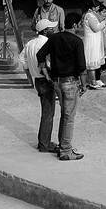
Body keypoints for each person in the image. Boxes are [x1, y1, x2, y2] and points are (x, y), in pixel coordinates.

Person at [36, 12, 87, 161]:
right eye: (80, 24)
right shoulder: (77, 41)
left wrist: (46, 73)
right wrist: (84, 85)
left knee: (64, 114)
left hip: (56, 81)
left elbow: (40, 55)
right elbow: (82, 67)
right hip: (70, 82)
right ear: (75, 25)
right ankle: (65, 150)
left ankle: (62, 146)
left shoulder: (54, 38)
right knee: (68, 116)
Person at [19, 30, 59, 153]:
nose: (54, 29)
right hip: (46, 80)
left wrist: (29, 74)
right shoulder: (47, 43)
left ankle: (44, 141)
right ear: (45, 30)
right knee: (48, 113)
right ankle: (44, 144)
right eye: (51, 28)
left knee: (47, 111)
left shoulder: (30, 43)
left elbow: (22, 59)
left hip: (37, 79)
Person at [80, 0, 106, 89]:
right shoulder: (89, 15)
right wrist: (104, 22)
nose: (98, 8)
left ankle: (94, 81)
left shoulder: (91, 15)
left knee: (94, 62)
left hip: (95, 40)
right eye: (97, 6)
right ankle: (93, 82)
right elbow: (96, 28)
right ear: (93, 7)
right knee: (92, 62)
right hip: (92, 42)